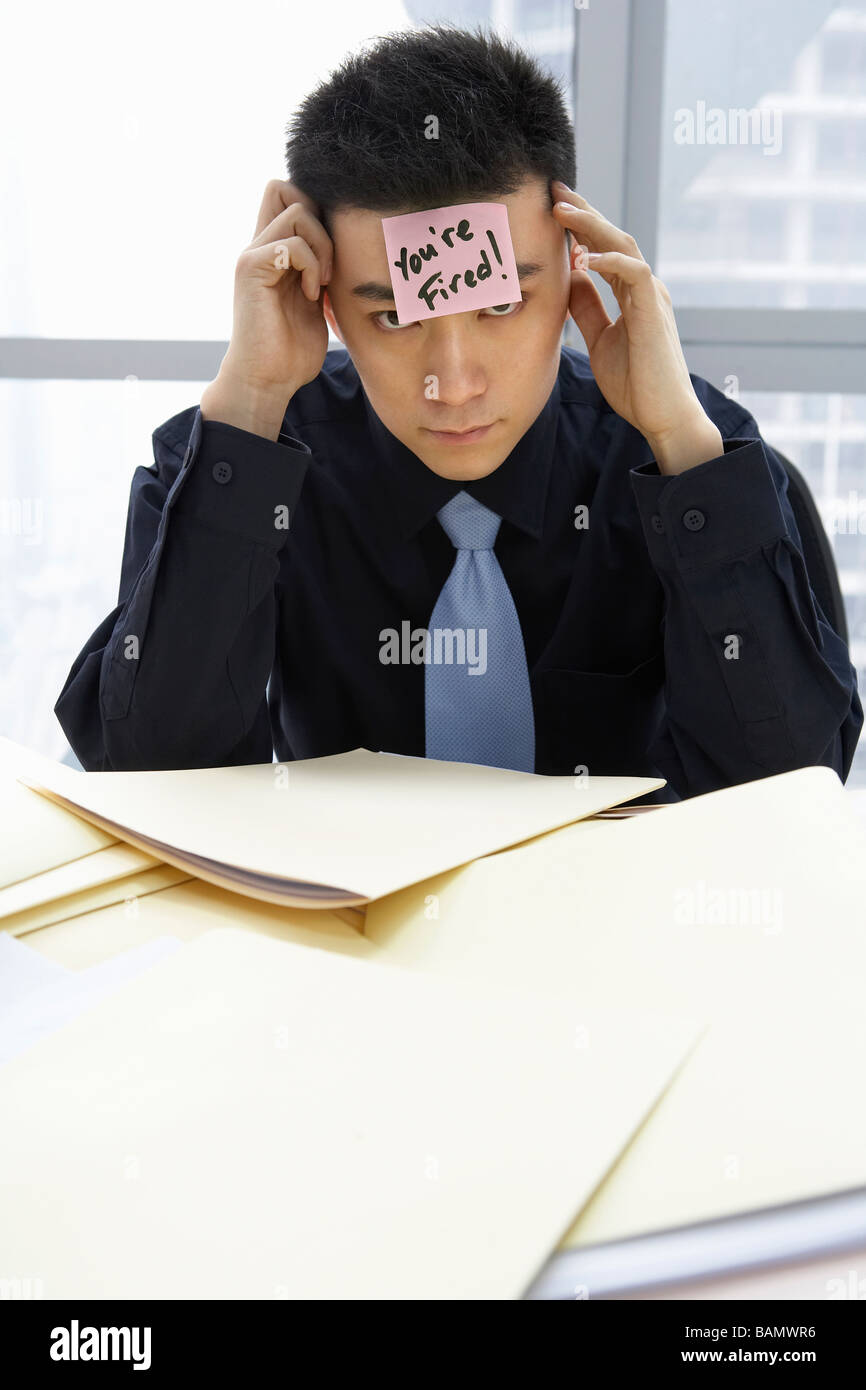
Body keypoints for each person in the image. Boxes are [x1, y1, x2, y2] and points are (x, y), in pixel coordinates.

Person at [55, 24, 863, 799]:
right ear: (325, 299)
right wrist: (254, 398)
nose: (454, 384)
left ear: (578, 266)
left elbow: (793, 798)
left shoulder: (689, 452)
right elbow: (151, 781)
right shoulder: (242, 455)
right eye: (396, 318)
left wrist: (684, 448)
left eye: (502, 304)